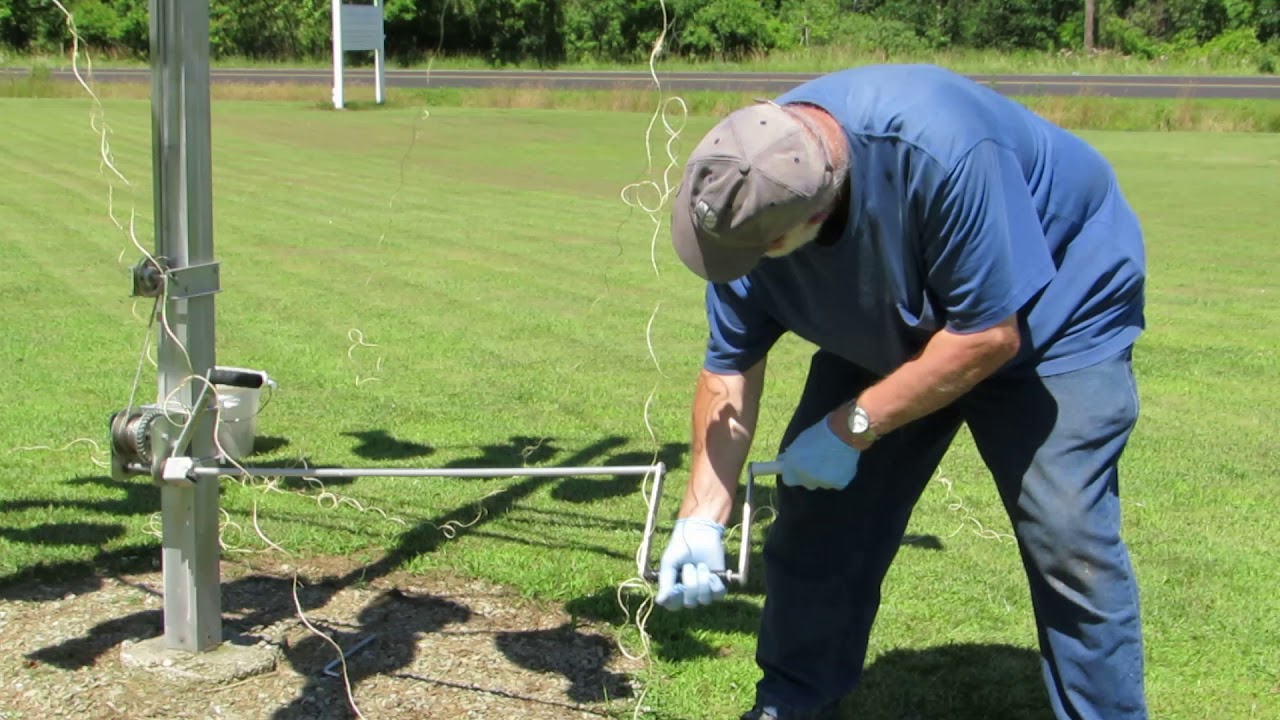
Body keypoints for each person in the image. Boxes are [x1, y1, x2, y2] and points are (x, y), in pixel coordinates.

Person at [653, 64, 1148, 720]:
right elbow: (728, 371)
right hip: (897, 313)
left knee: (1069, 540)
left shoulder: (941, 150)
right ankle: (792, 704)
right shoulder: (749, 195)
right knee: (819, 523)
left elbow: (986, 337)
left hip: (1054, 315)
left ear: (803, 226)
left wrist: (849, 429)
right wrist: (700, 514)